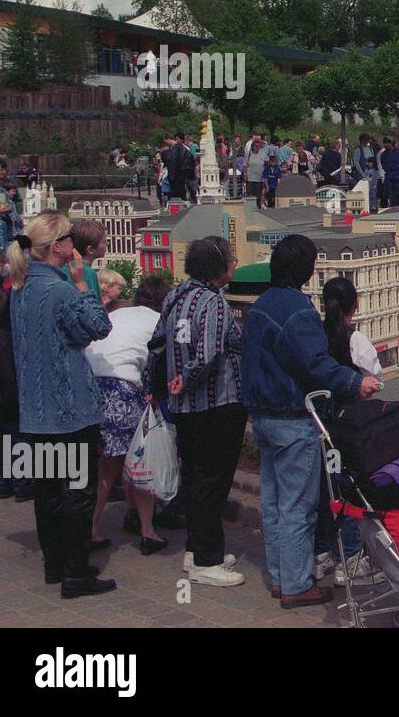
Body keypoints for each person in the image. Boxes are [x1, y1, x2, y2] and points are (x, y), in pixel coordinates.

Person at [241, 235, 379, 608]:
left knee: (272, 502)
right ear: (306, 270)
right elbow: (315, 364)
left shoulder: (262, 306)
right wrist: (355, 382)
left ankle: (280, 576)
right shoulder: (297, 310)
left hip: (263, 416)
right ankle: (297, 584)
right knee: (296, 506)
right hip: (291, 416)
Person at [9, 211, 115, 597]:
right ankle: (76, 572)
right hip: (69, 409)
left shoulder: (19, 289)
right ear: (58, 246)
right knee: (77, 492)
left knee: (49, 491)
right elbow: (99, 327)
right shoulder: (59, 290)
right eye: (69, 237)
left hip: (35, 409)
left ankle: (55, 565)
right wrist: (83, 286)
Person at [153, 236, 247, 587]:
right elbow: (208, 356)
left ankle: (197, 548)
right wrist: (188, 379)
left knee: (194, 477)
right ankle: (207, 561)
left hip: (184, 408)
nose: (234, 265)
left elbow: (157, 343)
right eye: (231, 260)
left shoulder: (174, 296)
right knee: (212, 481)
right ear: (219, 268)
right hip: (216, 403)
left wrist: (167, 383)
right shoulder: (214, 304)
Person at [84, 275, 170, 555]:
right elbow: (158, 367)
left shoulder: (119, 313)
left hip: (91, 385)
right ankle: (146, 531)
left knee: (106, 464)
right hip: (121, 389)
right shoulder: (158, 322)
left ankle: (93, 526)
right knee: (140, 460)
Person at [314, 276, 383, 585]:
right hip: (348, 423)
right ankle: (352, 559)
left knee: (324, 489)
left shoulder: (315, 335)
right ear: (355, 305)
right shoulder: (355, 340)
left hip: (319, 422)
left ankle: (322, 553)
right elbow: (375, 378)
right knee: (349, 489)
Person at [0, 289, 31, 500]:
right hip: (6, 399)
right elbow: (8, 373)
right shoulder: (7, 339)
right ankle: (21, 485)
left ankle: (4, 484)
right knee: (16, 441)